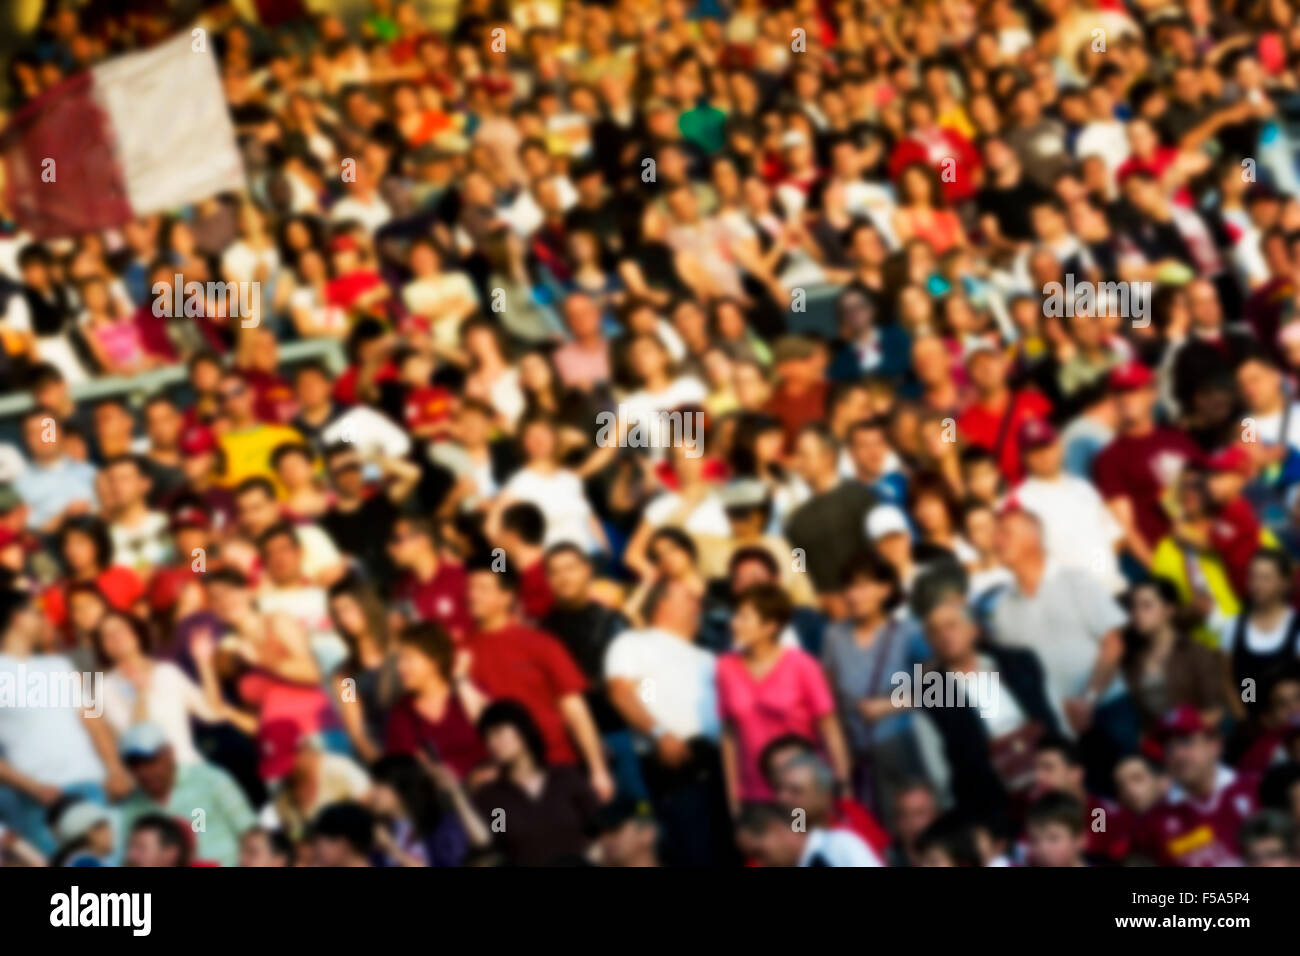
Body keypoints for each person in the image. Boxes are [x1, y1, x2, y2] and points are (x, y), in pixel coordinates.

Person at [463, 557, 613, 801]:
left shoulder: (540, 643)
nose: (472, 595)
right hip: (504, 782)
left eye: (483, 588)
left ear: (507, 596)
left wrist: (598, 770)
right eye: (469, 588)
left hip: (558, 767)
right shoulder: (461, 653)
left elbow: (574, 708)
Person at [717, 583, 850, 811]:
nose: (734, 623)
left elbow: (829, 727)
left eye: (744, 617)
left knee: (803, 841)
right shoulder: (725, 668)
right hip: (754, 794)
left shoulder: (802, 665)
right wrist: (733, 799)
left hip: (802, 791)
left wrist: (844, 786)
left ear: (770, 626)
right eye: (735, 615)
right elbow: (729, 737)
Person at [470, 700, 599, 867]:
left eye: (498, 733)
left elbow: (598, 828)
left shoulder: (566, 780)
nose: (492, 743)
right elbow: (499, 841)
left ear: (521, 729)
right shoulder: (495, 800)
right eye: (487, 738)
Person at [116, 723, 256, 868]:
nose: (144, 771)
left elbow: (251, 833)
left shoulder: (210, 780)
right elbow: (127, 860)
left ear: (169, 753)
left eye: (150, 760)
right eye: (135, 765)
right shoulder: (132, 808)